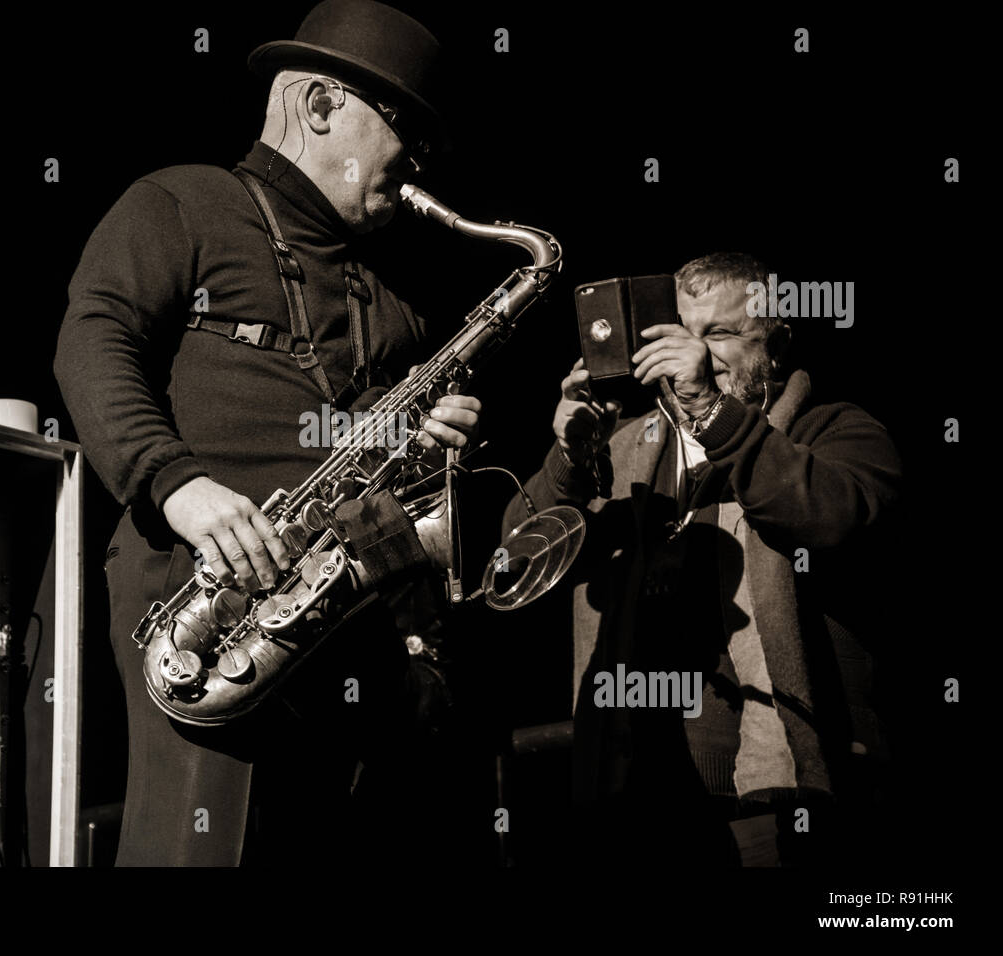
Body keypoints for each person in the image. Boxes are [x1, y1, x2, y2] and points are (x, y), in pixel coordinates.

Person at [54, 0, 479, 866]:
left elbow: (375, 463)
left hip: (345, 622)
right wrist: (174, 481)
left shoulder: (393, 296)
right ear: (321, 106)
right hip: (211, 605)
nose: (417, 166)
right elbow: (91, 339)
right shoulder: (183, 201)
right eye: (408, 132)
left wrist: (424, 446)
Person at [506, 252, 901, 865]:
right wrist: (568, 460)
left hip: (791, 783)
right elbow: (515, 562)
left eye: (719, 334)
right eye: (683, 333)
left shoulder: (834, 429)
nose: (694, 354)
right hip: (644, 785)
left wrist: (712, 409)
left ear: (778, 341)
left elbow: (828, 514)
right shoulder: (628, 446)